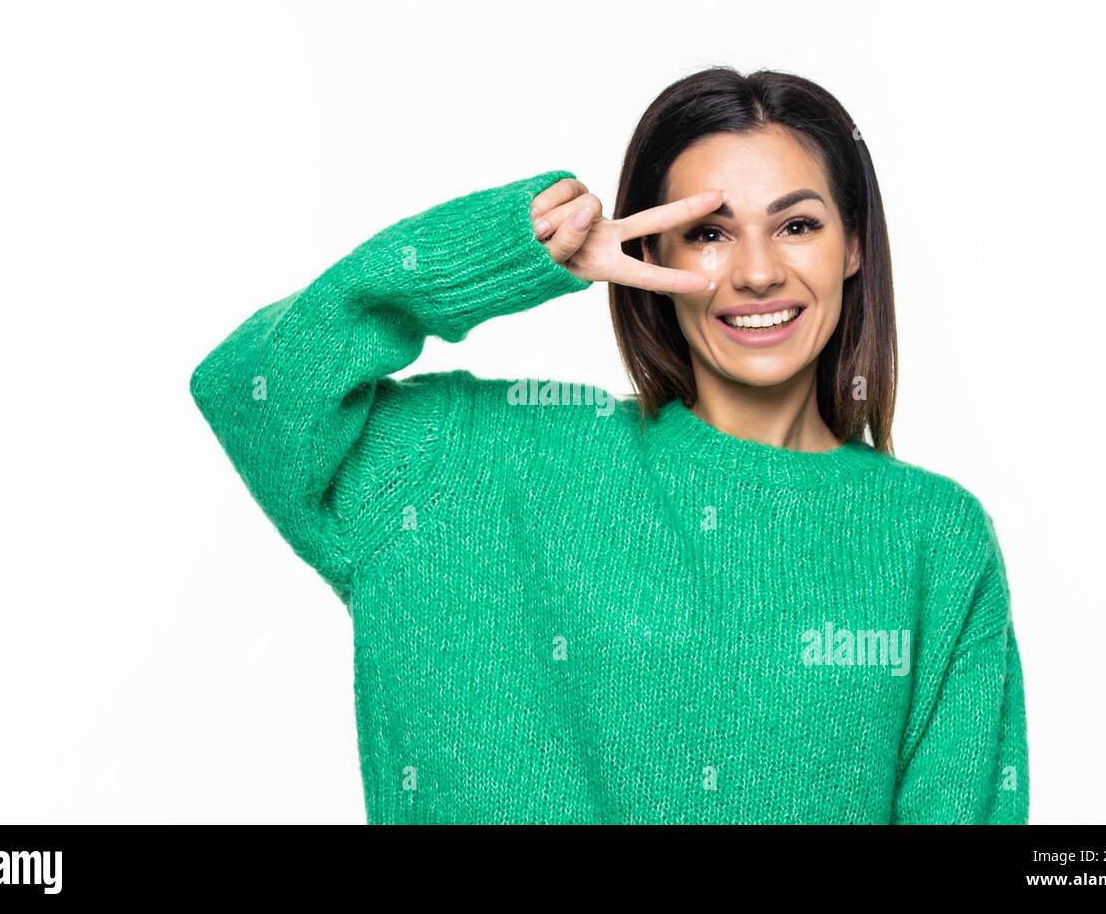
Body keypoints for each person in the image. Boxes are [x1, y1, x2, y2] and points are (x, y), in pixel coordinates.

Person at [190, 66, 1029, 824]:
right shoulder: (478, 465)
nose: (759, 272)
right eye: (709, 232)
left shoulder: (932, 537)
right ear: (649, 250)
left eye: (797, 225)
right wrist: (501, 251)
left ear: (853, 247)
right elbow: (253, 391)